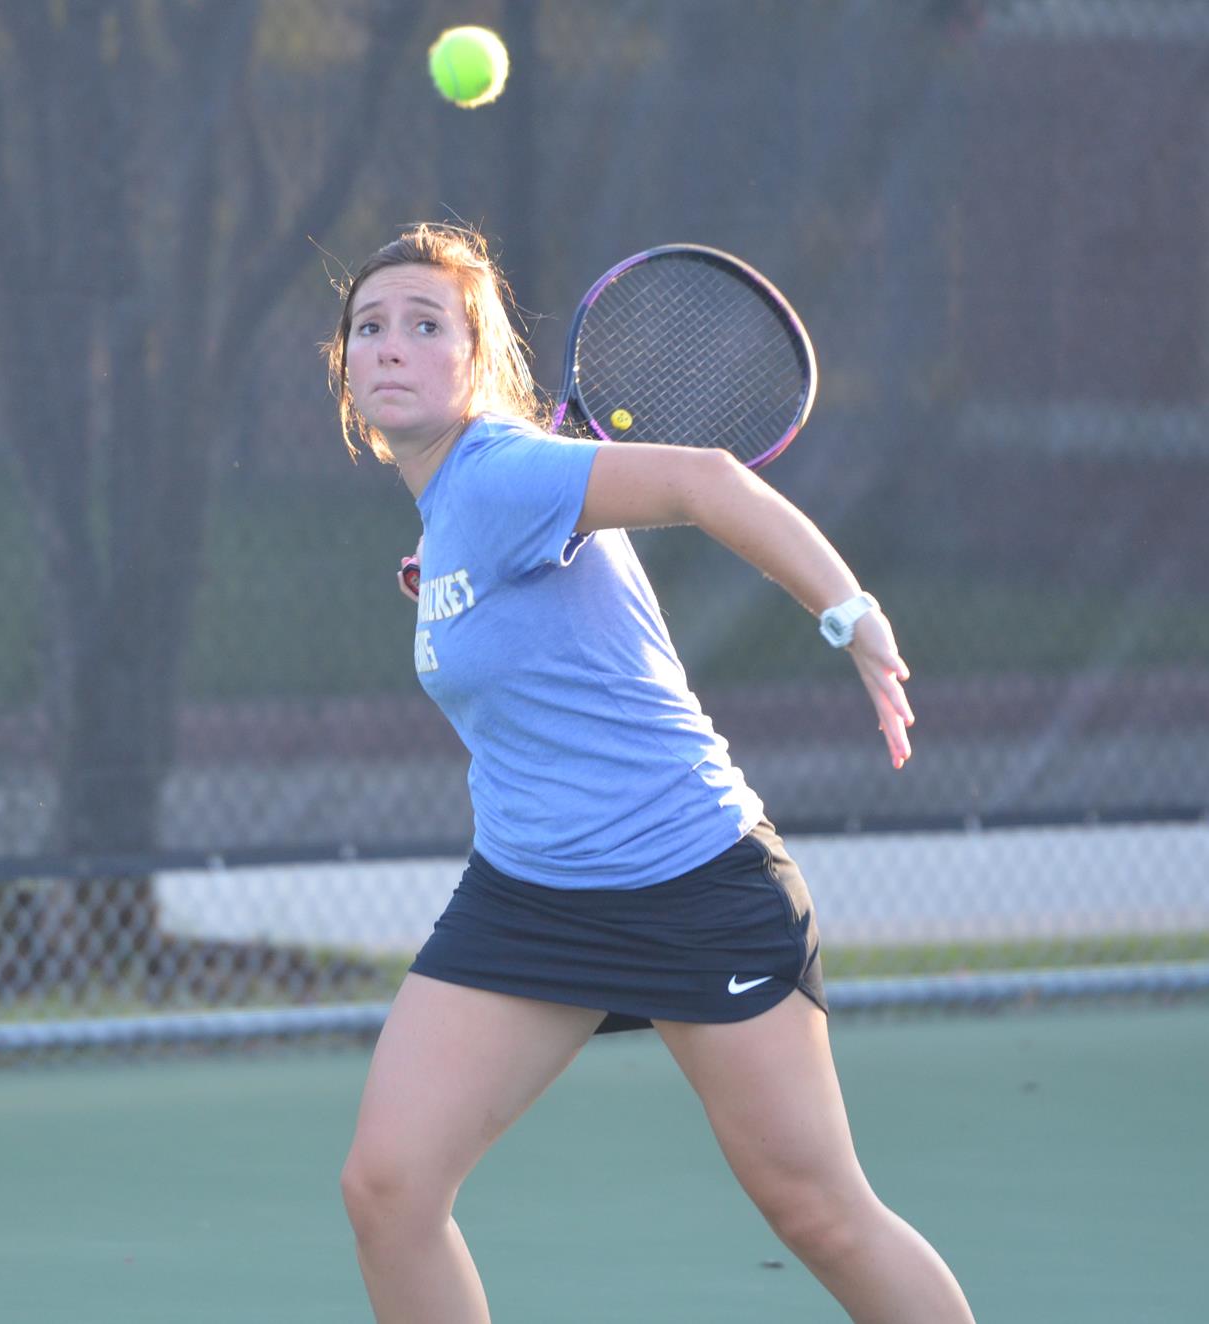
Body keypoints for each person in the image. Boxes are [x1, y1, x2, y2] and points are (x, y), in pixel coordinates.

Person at [322, 223, 975, 1324]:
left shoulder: (506, 474)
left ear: (474, 361)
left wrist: (847, 611)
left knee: (814, 1208)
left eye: (424, 324)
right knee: (387, 1189)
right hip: (530, 895)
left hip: (692, 883)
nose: (389, 344)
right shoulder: (458, 514)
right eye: (367, 326)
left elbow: (706, 480)